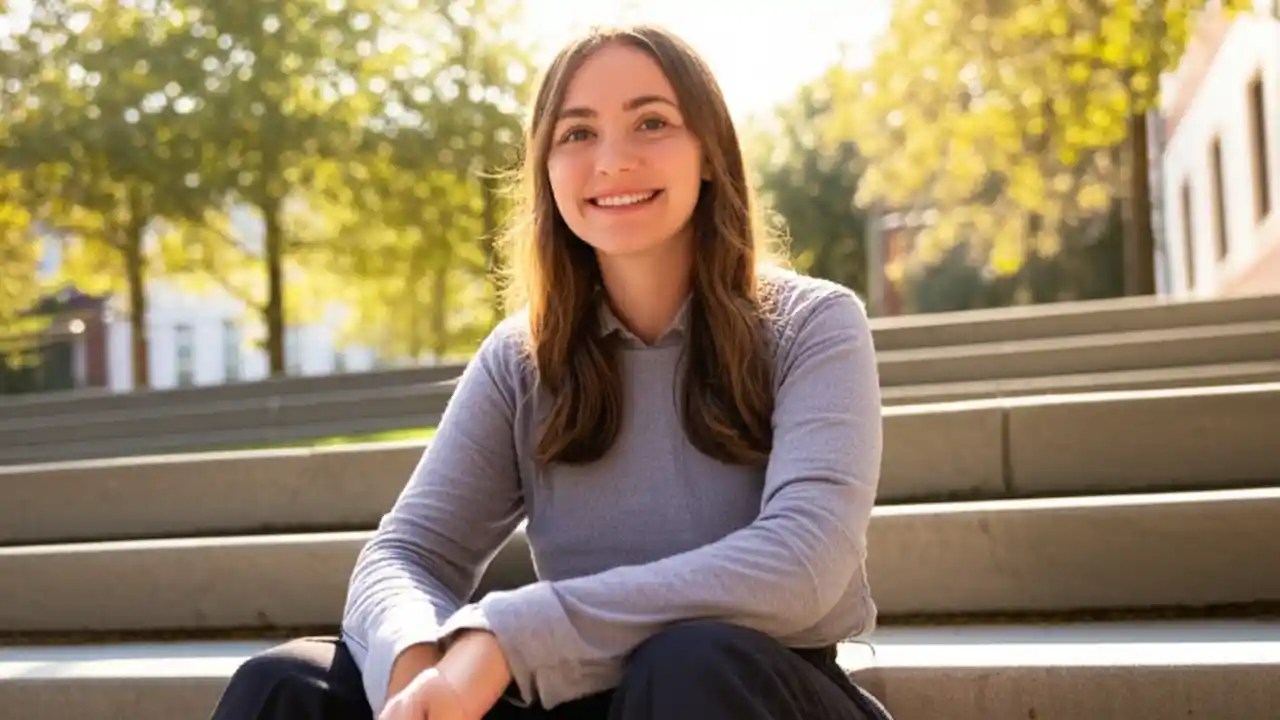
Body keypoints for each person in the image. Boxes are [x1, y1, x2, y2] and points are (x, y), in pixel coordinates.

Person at [210, 23, 891, 720]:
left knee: (689, 661)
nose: (613, 160)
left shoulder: (813, 325)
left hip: (755, 689)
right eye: (577, 133)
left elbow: (805, 562)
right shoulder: (521, 358)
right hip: (580, 700)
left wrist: (512, 634)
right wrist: (414, 669)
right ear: (546, 168)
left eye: (651, 122)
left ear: (710, 153)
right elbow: (408, 555)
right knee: (287, 686)